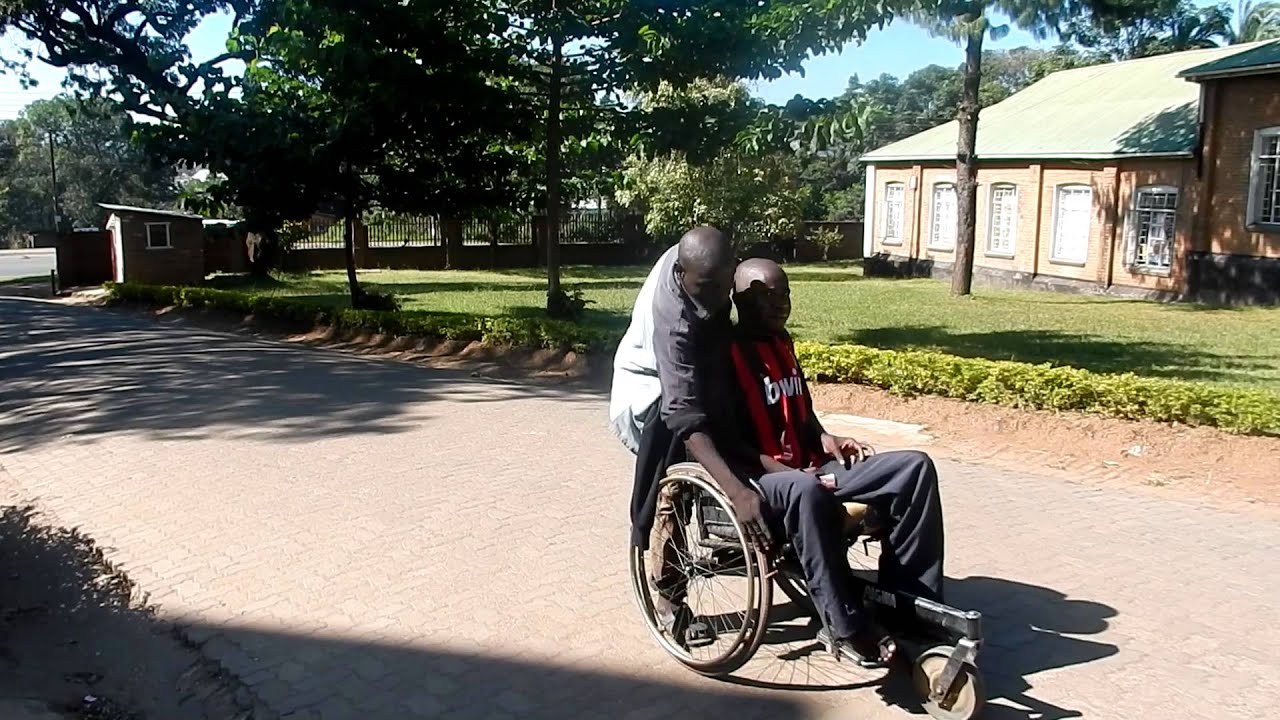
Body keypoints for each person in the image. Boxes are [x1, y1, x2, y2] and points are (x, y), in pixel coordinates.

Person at [722, 258, 946, 666]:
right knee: (807, 489)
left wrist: (829, 439)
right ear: (740, 299)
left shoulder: (781, 342)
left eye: (785, 294)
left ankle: (912, 599)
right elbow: (730, 446)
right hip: (764, 481)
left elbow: (802, 415)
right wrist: (791, 473)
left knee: (915, 467)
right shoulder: (726, 355)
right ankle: (846, 626)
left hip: (812, 469)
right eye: (767, 296)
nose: (780, 304)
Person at [610, 226, 771, 638]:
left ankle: (733, 535)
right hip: (653, 389)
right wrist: (735, 491)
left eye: (723, 286)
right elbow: (680, 411)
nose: (718, 297)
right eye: (706, 287)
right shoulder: (672, 316)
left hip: (696, 375)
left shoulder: (709, 267)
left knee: (740, 433)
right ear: (682, 274)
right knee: (674, 481)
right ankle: (668, 596)